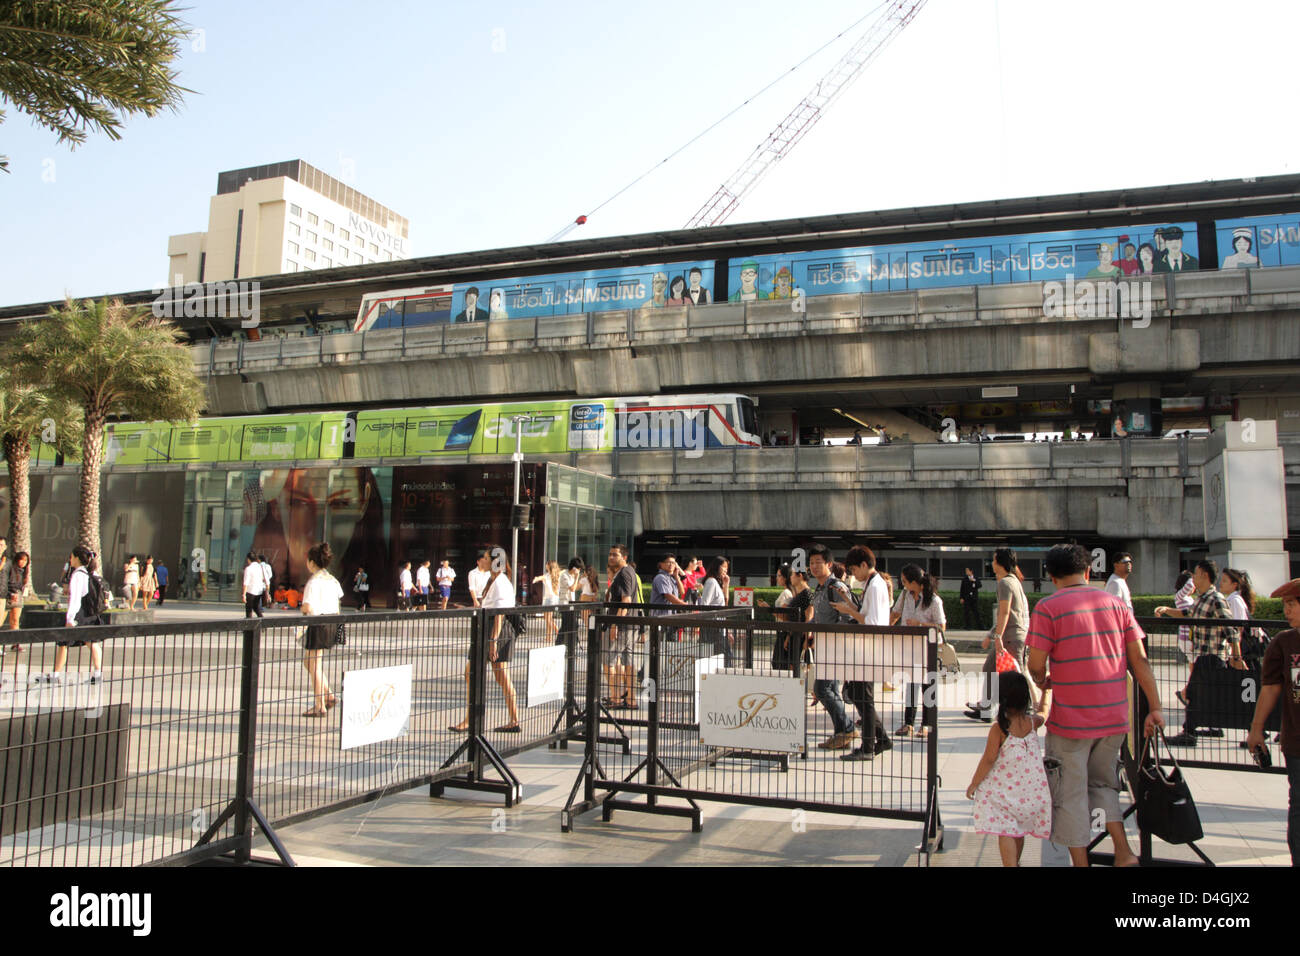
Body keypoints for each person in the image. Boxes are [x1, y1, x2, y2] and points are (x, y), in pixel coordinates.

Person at [1026, 543, 1164, 867]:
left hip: (1070, 722)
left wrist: (1042, 678)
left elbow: (1035, 664)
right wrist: (1155, 706)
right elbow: (1139, 661)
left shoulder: (1048, 608)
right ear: (1088, 571)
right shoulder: (1116, 605)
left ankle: (1081, 863)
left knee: (1069, 793)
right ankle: (1123, 851)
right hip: (1114, 716)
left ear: (1051, 575)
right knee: (1104, 785)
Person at [966, 670, 1052, 865]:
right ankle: (1015, 862)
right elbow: (1043, 712)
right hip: (1030, 793)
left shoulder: (999, 729)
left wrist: (974, 783)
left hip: (1005, 794)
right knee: (1019, 830)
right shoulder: (1032, 723)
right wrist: (1045, 691)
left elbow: (988, 759)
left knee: (1005, 830)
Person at [1155, 559, 1243, 746]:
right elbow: (1187, 614)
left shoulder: (1216, 599)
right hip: (1204, 656)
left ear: (1204, 575)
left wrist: (1236, 657)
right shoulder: (1202, 599)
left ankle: (1189, 733)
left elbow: (1230, 629)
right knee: (1201, 695)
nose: (1193, 578)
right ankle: (1202, 729)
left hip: (1212, 656)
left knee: (1196, 694)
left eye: (1195, 574)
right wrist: (1167, 610)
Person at [1245, 578, 1300, 865]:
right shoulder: (1284, 643)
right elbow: (1270, 687)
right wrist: (1256, 730)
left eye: (1291, 604)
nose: (1286, 611)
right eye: (1284, 605)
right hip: (1297, 742)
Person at [829, 545, 894, 761]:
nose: (854, 575)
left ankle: (868, 748)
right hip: (867, 649)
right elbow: (866, 614)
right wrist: (848, 602)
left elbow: (872, 623)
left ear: (864, 565)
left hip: (870, 649)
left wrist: (848, 611)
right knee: (859, 696)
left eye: (855, 570)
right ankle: (881, 739)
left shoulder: (875, 586)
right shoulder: (873, 584)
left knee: (864, 699)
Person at [967, 548, 1030, 722]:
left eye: (994, 560)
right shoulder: (1013, 581)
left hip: (1011, 637)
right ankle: (987, 708)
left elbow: (1004, 612)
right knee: (989, 668)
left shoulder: (1006, 583)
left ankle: (1027, 708)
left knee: (1019, 674)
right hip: (1013, 635)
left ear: (999, 563)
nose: (992, 563)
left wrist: (997, 637)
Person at [806, 545, 858, 751]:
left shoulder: (836, 587)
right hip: (824, 646)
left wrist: (832, 637)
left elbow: (848, 617)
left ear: (828, 564)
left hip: (835, 647)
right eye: (811, 563)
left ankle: (846, 728)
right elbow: (820, 617)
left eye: (819, 562)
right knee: (831, 690)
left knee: (822, 688)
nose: (814, 567)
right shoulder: (819, 588)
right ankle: (841, 734)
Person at [891, 564, 946, 737]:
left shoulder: (934, 600)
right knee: (910, 685)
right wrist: (884, 629)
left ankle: (927, 725)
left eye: (905, 581)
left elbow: (941, 626)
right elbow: (895, 613)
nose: (903, 584)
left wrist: (920, 624)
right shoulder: (906, 595)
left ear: (915, 582)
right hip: (909, 647)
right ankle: (908, 723)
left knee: (927, 686)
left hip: (927, 649)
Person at [50, 545, 106, 684]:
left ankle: (55, 675)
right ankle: (98, 674)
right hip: (91, 613)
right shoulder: (92, 573)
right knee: (93, 643)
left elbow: (75, 599)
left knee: (64, 643)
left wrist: (70, 618)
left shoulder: (77, 575)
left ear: (76, 557)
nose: (70, 559)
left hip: (79, 614)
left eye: (72, 556)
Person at [299, 542, 344, 718]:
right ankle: (329, 695)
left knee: (314, 664)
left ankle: (319, 705)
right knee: (309, 662)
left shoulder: (313, 582)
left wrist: (302, 610)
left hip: (317, 624)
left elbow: (307, 606)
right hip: (332, 622)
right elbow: (339, 599)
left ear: (311, 562)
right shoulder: (332, 579)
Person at [603, 545, 639, 707]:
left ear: (624, 557)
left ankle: (615, 697)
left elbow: (626, 601)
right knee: (628, 662)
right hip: (629, 625)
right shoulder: (628, 572)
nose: (611, 557)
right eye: (610, 554)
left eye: (615, 555)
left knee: (608, 661)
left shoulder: (624, 573)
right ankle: (631, 699)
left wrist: (614, 625)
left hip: (621, 625)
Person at [698, 555, 733, 664]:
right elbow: (704, 605)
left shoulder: (717, 583)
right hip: (713, 628)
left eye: (727, 568)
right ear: (716, 567)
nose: (725, 570)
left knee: (723, 657)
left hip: (718, 626)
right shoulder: (711, 582)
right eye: (723, 567)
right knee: (721, 658)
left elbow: (724, 604)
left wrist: (726, 585)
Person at [5, 550, 30, 649]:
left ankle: (15, 643)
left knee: (15, 620)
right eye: (21, 560)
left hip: (18, 596)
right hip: (8, 595)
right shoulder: (11, 569)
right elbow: (7, 582)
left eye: (25, 560)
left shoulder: (24, 572)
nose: (23, 562)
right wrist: (11, 593)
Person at [241, 551, 266, 619]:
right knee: (256, 608)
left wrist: (244, 594)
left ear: (248, 559)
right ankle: (262, 623)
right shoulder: (261, 567)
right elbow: (264, 579)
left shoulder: (248, 568)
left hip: (251, 591)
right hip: (259, 591)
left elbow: (246, 582)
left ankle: (249, 628)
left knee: (249, 610)